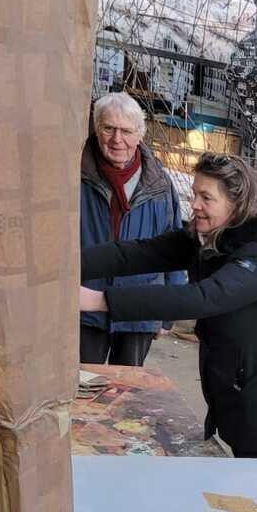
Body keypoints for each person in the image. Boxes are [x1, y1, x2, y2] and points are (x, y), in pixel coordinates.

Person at [80, 153, 257, 464]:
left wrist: (97, 300)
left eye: (206, 197)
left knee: (254, 492)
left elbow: (202, 297)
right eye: (194, 194)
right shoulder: (213, 235)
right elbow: (140, 253)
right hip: (235, 385)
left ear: (236, 203)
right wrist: (70, 263)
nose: (195, 205)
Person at [79, 93, 185, 367]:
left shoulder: (160, 185)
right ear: (95, 127)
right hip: (83, 307)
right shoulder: (73, 176)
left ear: (139, 134)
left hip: (139, 310)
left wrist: (167, 312)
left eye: (126, 131)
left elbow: (177, 248)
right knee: (79, 391)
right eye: (108, 128)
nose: (117, 140)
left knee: (125, 396)